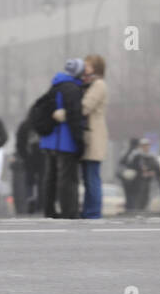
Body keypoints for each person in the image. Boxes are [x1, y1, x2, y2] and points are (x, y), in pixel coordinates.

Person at [39, 58, 87, 219]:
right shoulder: (72, 89)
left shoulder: (55, 85)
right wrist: (80, 142)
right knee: (68, 179)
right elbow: (75, 118)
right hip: (65, 141)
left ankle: (49, 210)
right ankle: (70, 212)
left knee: (50, 178)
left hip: (49, 140)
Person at [79, 53, 109, 219]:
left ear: (96, 68)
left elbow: (85, 106)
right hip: (91, 137)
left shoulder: (98, 85)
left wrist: (64, 113)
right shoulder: (91, 84)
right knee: (89, 176)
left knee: (92, 177)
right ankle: (89, 210)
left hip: (95, 137)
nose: (85, 68)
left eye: (88, 66)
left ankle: (93, 212)